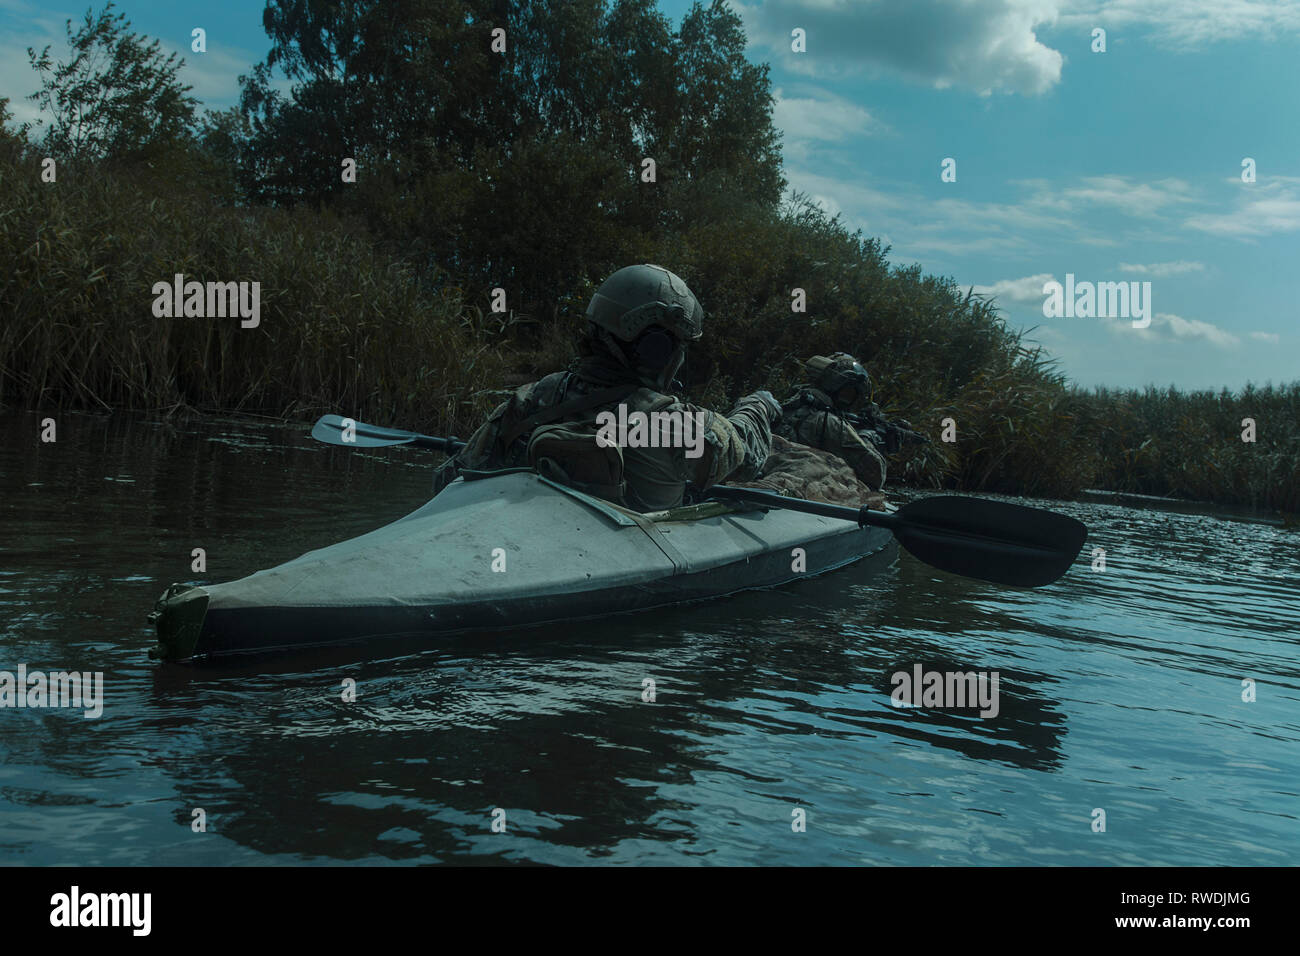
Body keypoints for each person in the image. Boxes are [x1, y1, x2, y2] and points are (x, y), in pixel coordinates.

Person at [432, 264, 782, 512]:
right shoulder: (675, 425)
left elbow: (451, 478)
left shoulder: (533, 398)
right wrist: (759, 405)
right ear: (658, 350)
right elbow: (748, 455)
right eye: (679, 347)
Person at [775, 352, 926, 491]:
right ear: (835, 386)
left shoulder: (789, 406)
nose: (852, 401)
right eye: (850, 393)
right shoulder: (831, 423)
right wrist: (868, 439)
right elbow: (876, 475)